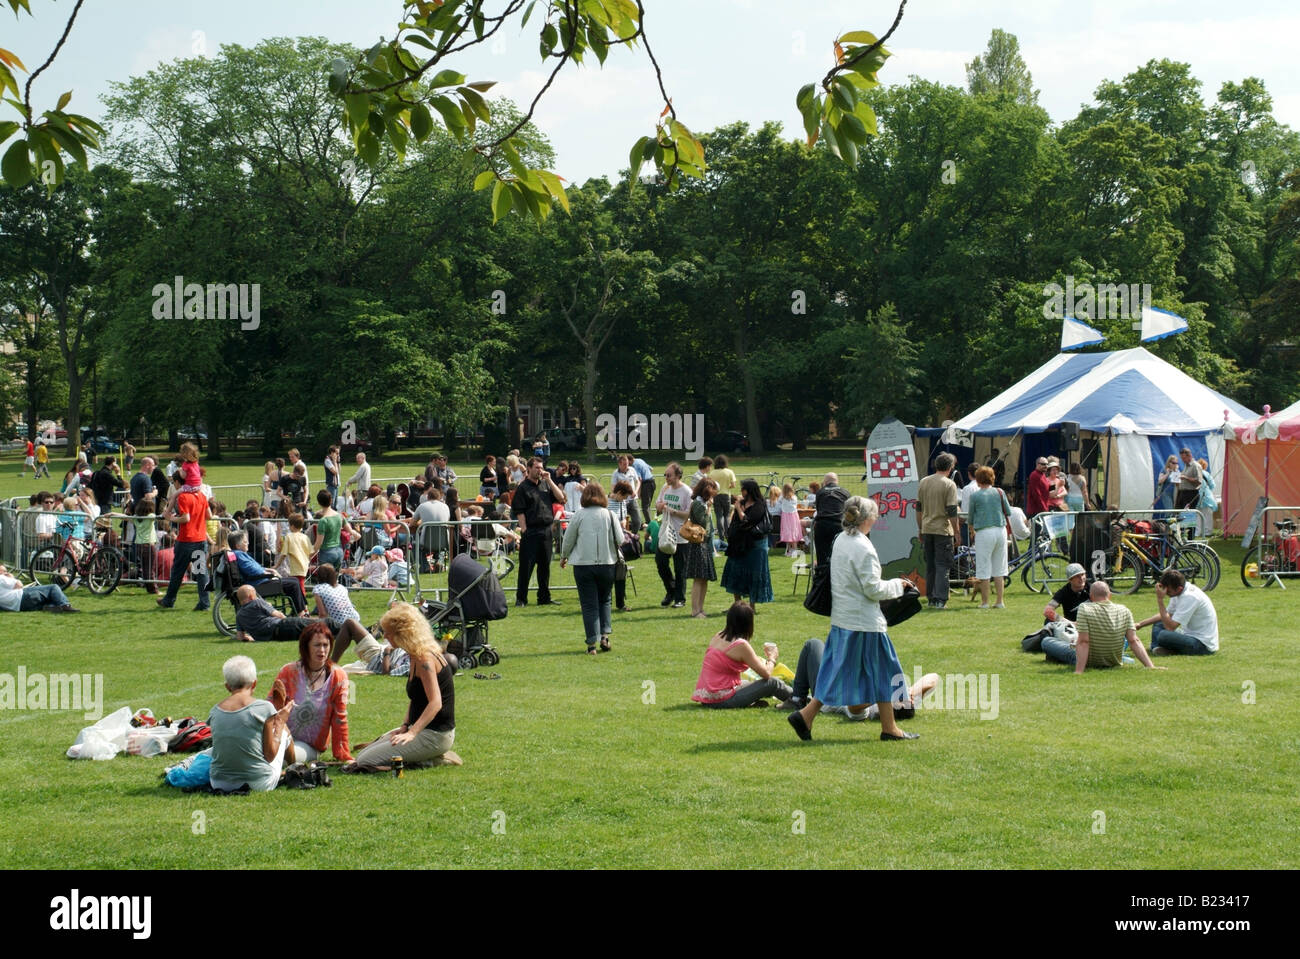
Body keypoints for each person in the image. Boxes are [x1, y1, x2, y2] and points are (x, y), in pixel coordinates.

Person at [787, 496, 917, 742]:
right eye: (875, 515)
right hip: (865, 623)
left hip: (843, 619)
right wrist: (899, 586)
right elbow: (873, 589)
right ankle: (889, 729)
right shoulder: (863, 547)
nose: (877, 518)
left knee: (838, 673)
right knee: (884, 674)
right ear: (867, 518)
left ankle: (806, 715)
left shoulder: (841, 539)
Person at [348, 603, 461, 770]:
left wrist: (412, 733)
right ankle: (424, 755)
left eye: (388, 632)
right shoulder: (415, 655)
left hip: (435, 735)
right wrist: (405, 726)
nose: (385, 636)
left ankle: (430, 759)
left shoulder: (425, 659)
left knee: (365, 761)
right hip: (423, 730)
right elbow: (416, 698)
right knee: (365, 753)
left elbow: (435, 703)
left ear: (403, 634)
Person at [778, 637, 938, 718]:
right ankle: (797, 696)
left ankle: (797, 699)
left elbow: (854, 707)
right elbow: (933, 678)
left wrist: (885, 695)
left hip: (826, 696)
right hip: (841, 681)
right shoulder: (905, 704)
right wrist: (911, 693)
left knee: (813, 645)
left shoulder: (872, 711)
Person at [207, 655, 293, 793]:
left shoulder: (215, 711)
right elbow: (270, 755)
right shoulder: (264, 707)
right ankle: (294, 767)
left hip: (218, 782)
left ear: (227, 686)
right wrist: (281, 722)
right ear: (254, 683)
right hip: (258, 782)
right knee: (284, 733)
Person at [270, 622, 352, 763]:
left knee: (280, 758)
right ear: (306, 647)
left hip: (309, 745)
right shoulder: (288, 672)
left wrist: (343, 755)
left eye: (325, 645)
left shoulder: (339, 677)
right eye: (317, 645)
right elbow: (271, 707)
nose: (322, 650)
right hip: (280, 735)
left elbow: (340, 719)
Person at [1043, 580, 1162, 673]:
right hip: (1114, 660)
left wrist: (1079, 671)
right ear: (1109, 595)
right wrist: (1150, 666)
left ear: (1091, 596)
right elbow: (1134, 640)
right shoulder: (1124, 610)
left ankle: (1057, 657)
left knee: (1047, 641)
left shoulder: (1085, 609)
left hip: (1088, 660)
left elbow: (1084, 642)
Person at [559, 481, 622, 654]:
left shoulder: (579, 515)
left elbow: (568, 539)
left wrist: (564, 556)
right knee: (605, 600)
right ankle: (605, 636)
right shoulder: (610, 515)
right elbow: (621, 538)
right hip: (607, 563)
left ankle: (591, 645)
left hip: (583, 565)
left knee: (589, 604)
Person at [691, 601, 792, 707]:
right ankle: (799, 700)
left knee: (750, 683)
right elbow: (766, 674)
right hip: (721, 700)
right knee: (773, 683)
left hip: (707, 697)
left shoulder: (719, 635)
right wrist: (772, 658)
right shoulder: (740, 644)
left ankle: (752, 703)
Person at [511, 457, 566, 607]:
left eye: (541, 468)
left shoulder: (545, 485)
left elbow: (561, 498)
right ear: (528, 469)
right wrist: (524, 530)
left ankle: (544, 597)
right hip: (531, 531)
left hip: (546, 531)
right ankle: (521, 599)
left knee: (544, 567)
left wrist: (549, 481)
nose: (539, 470)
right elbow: (519, 511)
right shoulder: (523, 488)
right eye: (536, 467)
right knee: (526, 567)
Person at [1136, 568, 1219, 656]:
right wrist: (1139, 625)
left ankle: (1161, 648)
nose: (1165, 593)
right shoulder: (1179, 591)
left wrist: (1160, 600)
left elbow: (1170, 627)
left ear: (1179, 589)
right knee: (1159, 623)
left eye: (1168, 591)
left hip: (1202, 645)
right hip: (1189, 635)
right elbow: (1167, 614)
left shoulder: (1190, 597)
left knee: (1163, 635)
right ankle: (1158, 648)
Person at [157, 484, 211, 611]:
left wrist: (170, 518)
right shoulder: (202, 496)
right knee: (201, 572)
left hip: (186, 540)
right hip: (200, 539)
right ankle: (205, 603)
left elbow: (185, 518)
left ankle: (169, 600)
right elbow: (209, 516)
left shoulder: (183, 497)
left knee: (177, 572)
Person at [720, 478, 774, 607]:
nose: (741, 491)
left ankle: (751, 607)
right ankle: (737, 606)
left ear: (749, 490)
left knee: (753, 575)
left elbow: (748, 522)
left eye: (743, 488)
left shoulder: (760, 504)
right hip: (739, 544)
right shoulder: (742, 502)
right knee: (736, 572)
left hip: (755, 545)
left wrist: (738, 509)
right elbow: (736, 522)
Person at [917, 452, 960, 610]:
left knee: (930, 566)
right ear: (951, 467)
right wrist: (956, 531)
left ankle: (931, 598)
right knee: (943, 565)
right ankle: (941, 599)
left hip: (927, 527)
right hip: (943, 529)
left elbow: (918, 508)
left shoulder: (924, 481)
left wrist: (920, 528)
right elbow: (952, 511)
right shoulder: (949, 484)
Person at [226, 529, 307, 612]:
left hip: (259, 581)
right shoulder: (239, 554)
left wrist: (268, 570)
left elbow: (253, 568)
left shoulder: (238, 554)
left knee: (294, 580)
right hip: (259, 584)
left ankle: (300, 610)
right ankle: (301, 612)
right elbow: (252, 570)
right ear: (238, 546)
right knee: (293, 583)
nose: (248, 543)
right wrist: (268, 574)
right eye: (245, 542)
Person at [968, 465, 1013, 609]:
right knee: (999, 569)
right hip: (1000, 530)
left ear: (978, 479)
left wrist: (971, 530)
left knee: (983, 568)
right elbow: (1008, 511)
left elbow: (970, 518)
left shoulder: (975, 496)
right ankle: (1000, 602)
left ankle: (985, 602)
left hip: (984, 532)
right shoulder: (1000, 492)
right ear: (992, 478)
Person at [654, 462, 691, 609]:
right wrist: (660, 507)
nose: (666, 478)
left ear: (678, 476)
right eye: (665, 475)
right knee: (661, 563)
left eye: (669, 475)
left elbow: (688, 514)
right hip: (665, 533)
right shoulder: (665, 488)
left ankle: (680, 599)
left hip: (680, 535)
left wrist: (672, 511)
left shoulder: (686, 492)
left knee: (680, 568)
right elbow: (657, 505)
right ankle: (671, 590)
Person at [680, 479, 718, 618]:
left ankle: (700, 609)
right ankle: (695, 610)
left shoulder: (701, 502)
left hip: (704, 544)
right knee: (698, 578)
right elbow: (702, 522)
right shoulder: (698, 503)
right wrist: (708, 508)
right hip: (697, 544)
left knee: (704, 578)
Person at [0, 563, 78, 613]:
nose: (6, 573)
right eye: (4, 571)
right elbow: (19, 585)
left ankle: (51, 607)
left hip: (18, 607)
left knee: (48, 599)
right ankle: (65, 606)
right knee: (53, 588)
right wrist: (11, 577)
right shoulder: (1, 578)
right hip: (22, 597)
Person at [811, 472, 849, 571]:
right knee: (840, 554)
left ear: (825, 482)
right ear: (837, 481)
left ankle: (822, 580)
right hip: (839, 525)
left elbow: (819, 509)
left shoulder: (820, 492)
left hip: (822, 525)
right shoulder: (845, 492)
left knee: (822, 557)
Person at [312, 489, 350, 572]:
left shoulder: (323, 521)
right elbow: (349, 530)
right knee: (334, 581)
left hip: (327, 553)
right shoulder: (339, 515)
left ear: (319, 503)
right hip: (339, 551)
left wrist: (309, 556)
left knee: (325, 582)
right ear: (331, 500)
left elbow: (319, 543)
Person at [711, 454, 738, 545]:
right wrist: (727, 486)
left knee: (719, 516)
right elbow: (733, 485)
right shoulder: (729, 472)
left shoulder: (712, 473)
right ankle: (728, 535)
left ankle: (721, 537)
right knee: (726, 516)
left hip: (716, 496)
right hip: (726, 495)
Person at [778, 483, 803, 556]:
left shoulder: (782, 497)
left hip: (786, 517)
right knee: (793, 532)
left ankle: (790, 550)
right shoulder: (794, 497)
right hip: (794, 516)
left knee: (788, 532)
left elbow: (779, 502)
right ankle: (793, 550)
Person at [1195, 457, 1217, 536]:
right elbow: (1212, 485)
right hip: (1207, 497)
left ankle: (1198, 532)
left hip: (1197, 497)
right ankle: (1207, 531)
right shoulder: (1207, 474)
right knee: (1207, 516)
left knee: (1197, 515)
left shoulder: (1195, 474)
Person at [631, 455, 655, 520]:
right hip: (652, 482)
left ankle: (649, 523)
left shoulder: (634, 465)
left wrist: (639, 493)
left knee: (645, 507)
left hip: (646, 484)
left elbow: (639, 479)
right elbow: (651, 469)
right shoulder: (639, 459)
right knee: (648, 505)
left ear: (630, 461)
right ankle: (649, 522)